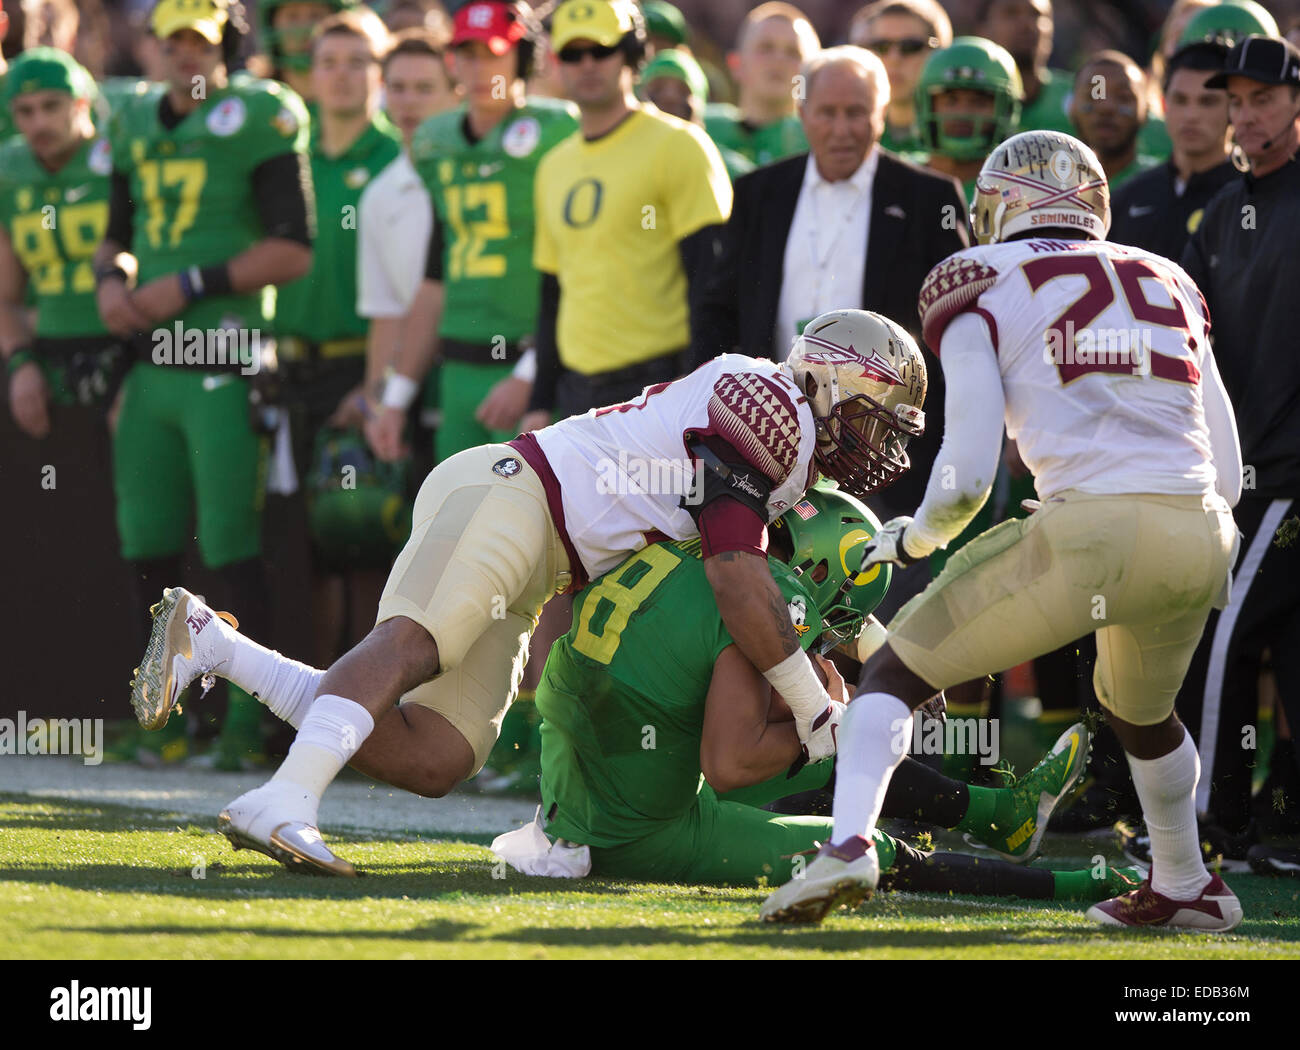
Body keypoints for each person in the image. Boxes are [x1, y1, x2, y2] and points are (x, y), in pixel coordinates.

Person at [130, 307, 929, 875]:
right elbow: (736, 575)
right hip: (519, 494)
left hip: (548, 551)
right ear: (827, 384)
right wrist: (815, 707)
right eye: (877, 416)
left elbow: (795, 583)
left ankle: (215, 644)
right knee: (413, 645)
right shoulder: (771, 405)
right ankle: (284, 799)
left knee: (439, 754)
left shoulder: (787, 454)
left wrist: (896, 669)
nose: (883, 443)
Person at [761, 130, 1246, 931]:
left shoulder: (977, 276)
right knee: (1141, 710)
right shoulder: (1171, 279)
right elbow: (1224, 471)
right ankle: (1189, 884)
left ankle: (847, 848)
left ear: (999, 207)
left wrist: (917, 538)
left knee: (892, 679)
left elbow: (971, 470)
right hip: (1199, 532)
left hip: (1095, 529)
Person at [526, 484, 1123, 896]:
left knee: (815, 729)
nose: (825, 629)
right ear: (815, 568)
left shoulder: (701, 542)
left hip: (582, 786)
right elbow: (730, 763)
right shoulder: (768, 595)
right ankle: (1066, 883)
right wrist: (834, 720)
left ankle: (1000, 815)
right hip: (638, 829)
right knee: (865, 847)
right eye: (830, 605)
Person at [100, 0, 313, 769]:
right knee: (146, 545)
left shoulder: (256, 115)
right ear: (154, 45)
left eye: (203, 37)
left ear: (228, 43)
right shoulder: (133, 121)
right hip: (152, 366)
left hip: (223, 361)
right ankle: (161, 721)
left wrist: (190, 281)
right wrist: (108, 277)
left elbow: (294, 249)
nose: (187, 52)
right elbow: (117, 233)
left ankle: (247, 729)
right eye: (175, 38)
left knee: (231, 547)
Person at [690, 44, 968, 628]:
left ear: (883, 113)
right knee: (773, 590)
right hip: (767, 435)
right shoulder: (762, 190)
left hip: (882, 442)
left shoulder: (929, 199)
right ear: (802, 112)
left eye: (857, 112)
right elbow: (718, 305)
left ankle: (881, 710)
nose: (842, 129)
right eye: (828, 112)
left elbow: (958, 329)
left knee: (883, 599)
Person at [1174, 35, 1300, 879]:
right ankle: (1279, 832)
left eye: (1263, 98)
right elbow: (1189, 341)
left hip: (1290, 475)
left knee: (1225, 638)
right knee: (1284, 650)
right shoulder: (1222, 214)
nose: (1245, 114)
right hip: (1237, 471)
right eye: (1236, 101)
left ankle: (1213, 827)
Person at [522, 0, 730, 426]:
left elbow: (712, 283)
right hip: (576, 394)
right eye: (573, 53)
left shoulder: (679, 145)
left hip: (658, 386)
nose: (587, 64)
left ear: (633, 53)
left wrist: (695, 392)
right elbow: (554, 293)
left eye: (601, 50)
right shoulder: (552, 166)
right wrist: (540, 401)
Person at [272, 8, 402, 664]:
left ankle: (372, 719)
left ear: (380, 75)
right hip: (284, 371)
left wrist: (376, 385)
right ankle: (309, 715)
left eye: (359, 63)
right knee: (304, 553)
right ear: (307, 74)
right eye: (329, 63)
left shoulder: (397, 158)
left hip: (366, 375)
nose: (343, 77)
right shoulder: (283, 157)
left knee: (370, 545)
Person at [1, 49, 122, 440]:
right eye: (25, 111)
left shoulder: (120, 158)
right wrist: (21, 363)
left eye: (52, 106)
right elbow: (6, 295)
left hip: (129, 347)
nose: (39, 123)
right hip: (49, 352)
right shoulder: (9, 172)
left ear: (81, 103)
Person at [1108, 41, 1233, 264]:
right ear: (1164, 104)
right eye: (1180, 100)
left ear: (1234, 107)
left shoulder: (1253, 201)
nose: (1191, 115)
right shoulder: (1127, 197)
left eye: (1208, 101)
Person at [703, 2, 819, 167]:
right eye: (766, 48)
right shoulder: (701, 129)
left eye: (794, 53)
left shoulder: (821, 143)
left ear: (814, 75)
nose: (779, 60)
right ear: (736, 64)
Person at [914, 36, 1022, 203]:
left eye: (979, 102)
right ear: (926, 104)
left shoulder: (1024, 191)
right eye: (950, 101)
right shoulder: (896, 179)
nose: (962, 113)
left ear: (1007, 109)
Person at [848, 0, 952, 158]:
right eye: (881, 46)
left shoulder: (961, 133)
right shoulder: (849, 135)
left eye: (911, 46)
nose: (894, 58)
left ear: (940, 54)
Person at [637, 48, 752, 181]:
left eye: (683, 90)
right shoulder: (617, 160)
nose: (670, 97)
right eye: (657, 88)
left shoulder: (730, 175)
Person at [1068, 51, 1161, 189]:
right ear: (1071, 107)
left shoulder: (1165, 185)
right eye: (1092, 95)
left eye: (1123, 97)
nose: (1106, 107)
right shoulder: (1044, 183)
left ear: (1146, 111)